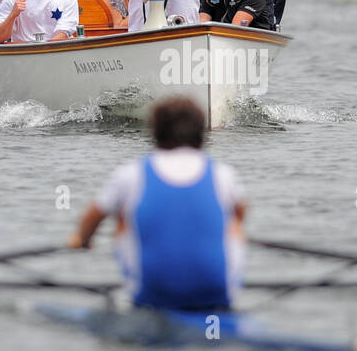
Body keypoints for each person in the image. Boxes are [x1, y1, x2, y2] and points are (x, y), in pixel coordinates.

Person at [68, 96, 247, 312]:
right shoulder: (223, 174)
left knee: (125, 217)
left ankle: (142, 278)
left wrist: (81, 239)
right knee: (233, 219)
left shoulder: (132, 173)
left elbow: (93, 216)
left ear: (154, 134)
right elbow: (240, 213)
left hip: (153, 296)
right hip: (214, 294)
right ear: (202, 134)